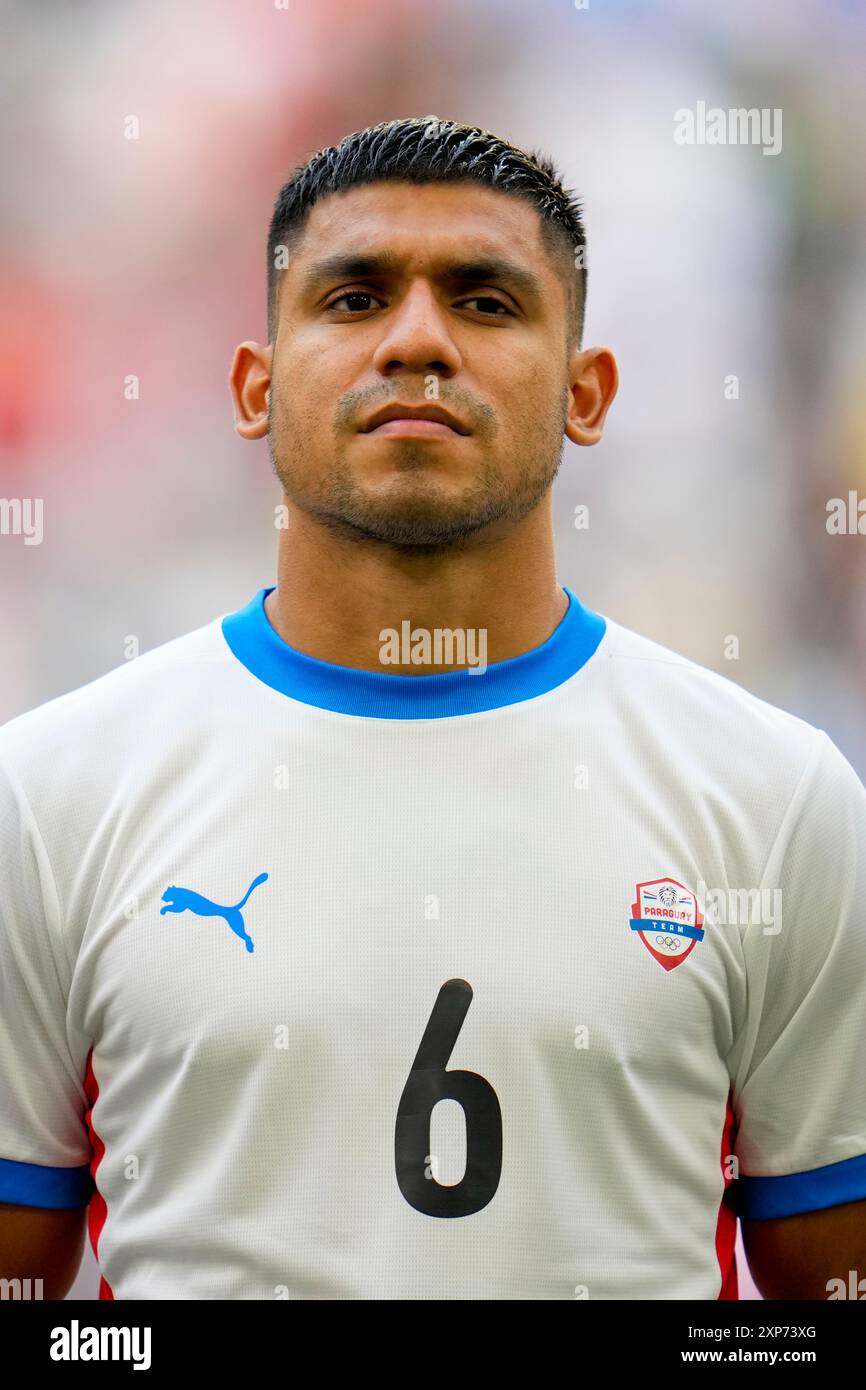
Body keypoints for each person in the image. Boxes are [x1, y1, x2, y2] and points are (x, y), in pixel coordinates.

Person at [1, 115, 865, 1301]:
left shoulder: (776, 800)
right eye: (353, 299)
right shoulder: (46, 797)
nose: (416, 340)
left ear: (586, 391)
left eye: (485, 301)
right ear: (254, 386)